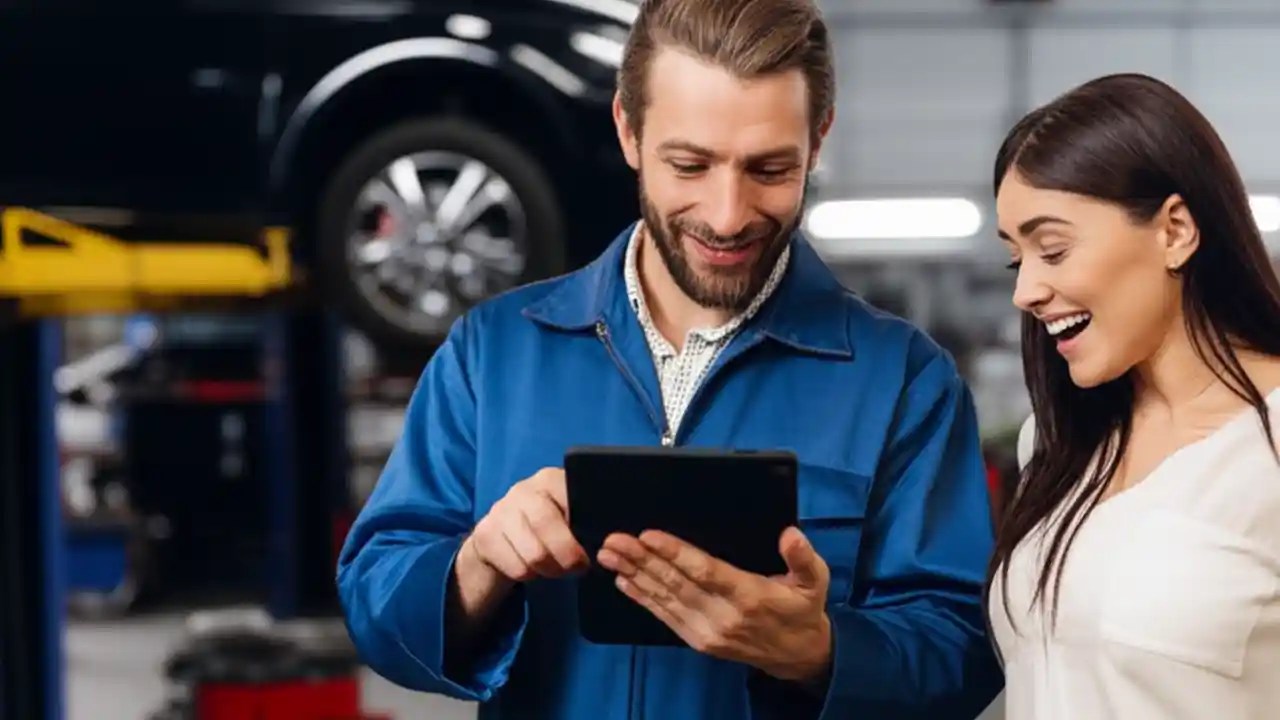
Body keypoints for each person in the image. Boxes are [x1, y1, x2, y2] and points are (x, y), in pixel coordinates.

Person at [336, 0, 1004, 717]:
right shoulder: (492, 354)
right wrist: (477, 566)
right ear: (629, 129)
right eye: (689, 164)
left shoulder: (902, 381)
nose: (727, 214)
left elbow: (964, 653)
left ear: (818, 141)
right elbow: (377, 608)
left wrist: (818, 649)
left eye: (770, 169)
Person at [987, 72, 1280, 720]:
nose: (1025, 290)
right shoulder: (1059, 441)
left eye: (1053, 249)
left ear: (1174, 230)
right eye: (1016, 259)